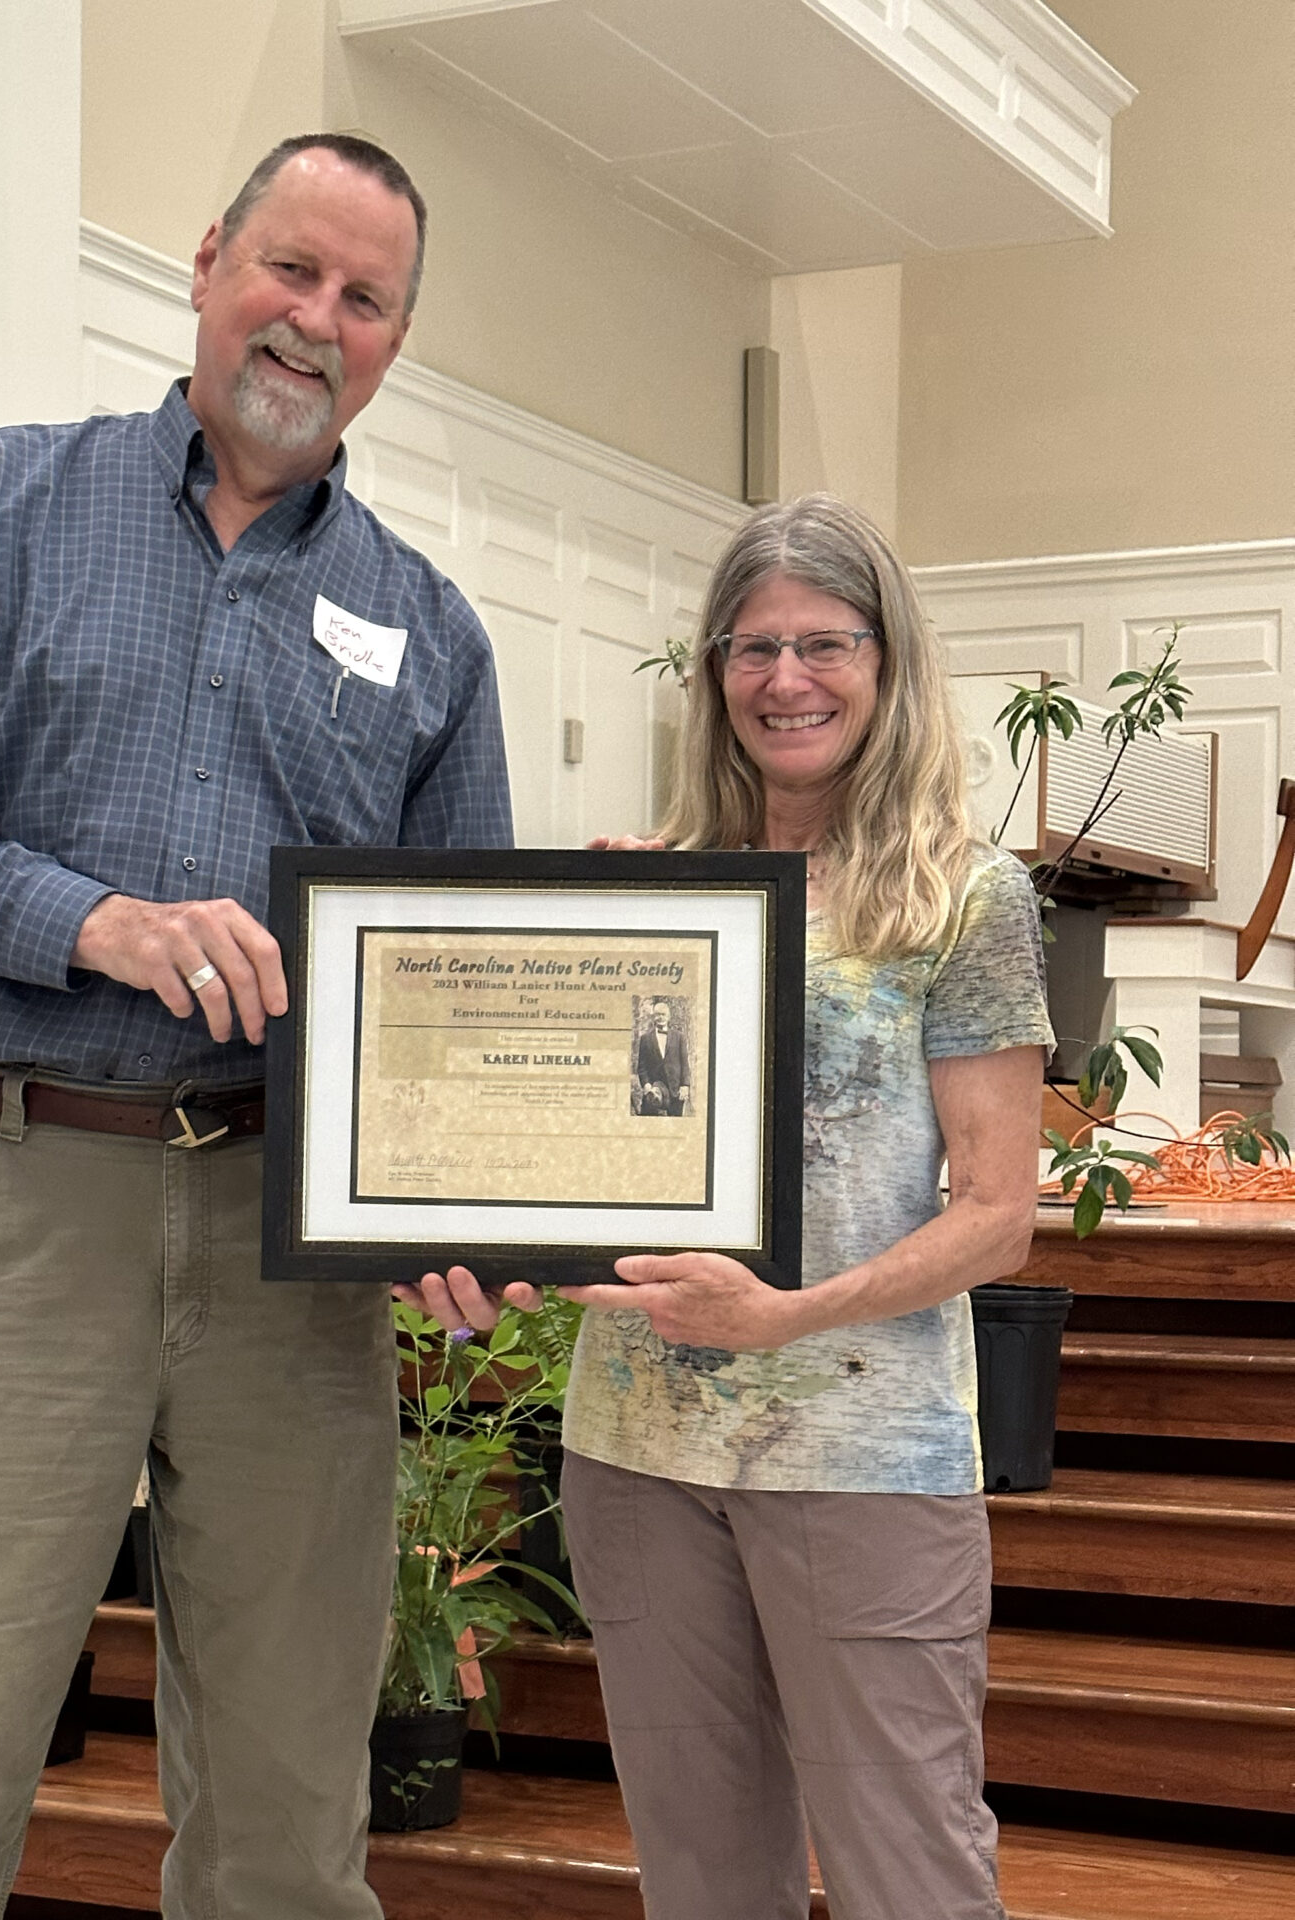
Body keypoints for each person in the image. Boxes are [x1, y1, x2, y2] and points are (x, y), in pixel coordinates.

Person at [0, 135, 512, 1920]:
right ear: (207, 264)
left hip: (295, 1253)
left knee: (288, 1796)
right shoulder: (0, 506)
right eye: (289, 270)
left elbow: (456, 972)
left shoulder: (432, 636)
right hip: (27, 1189)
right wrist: (93, 925)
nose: (313, 322)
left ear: (394, 341)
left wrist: (450, 1195)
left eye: (362, 299)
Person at [405, 494, 1050, 1919]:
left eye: (824, 643)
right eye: (750, 649)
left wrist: (787, 1316)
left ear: (887, 664)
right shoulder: (645, 891)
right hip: (635, 1449)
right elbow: (590, 1161)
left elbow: (1000, 1216)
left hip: (865, 1451)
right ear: (712, 677)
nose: (784, 681)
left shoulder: (963, 897)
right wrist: (468, 1249)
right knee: (698, 1877)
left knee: (911, 1874)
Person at [632, 997, 689, 1115]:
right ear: (653, 1017)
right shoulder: (645, 1038)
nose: (660, 1018)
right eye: (657, 1015)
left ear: (668, 1017)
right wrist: (646, 1084)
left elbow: (684, 1063)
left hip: (675, 1090)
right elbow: (642, 1067)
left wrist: (685, 1085)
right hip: (654, 1090)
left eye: (663, 1014)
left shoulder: (679, 1037)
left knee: (675, 1125)